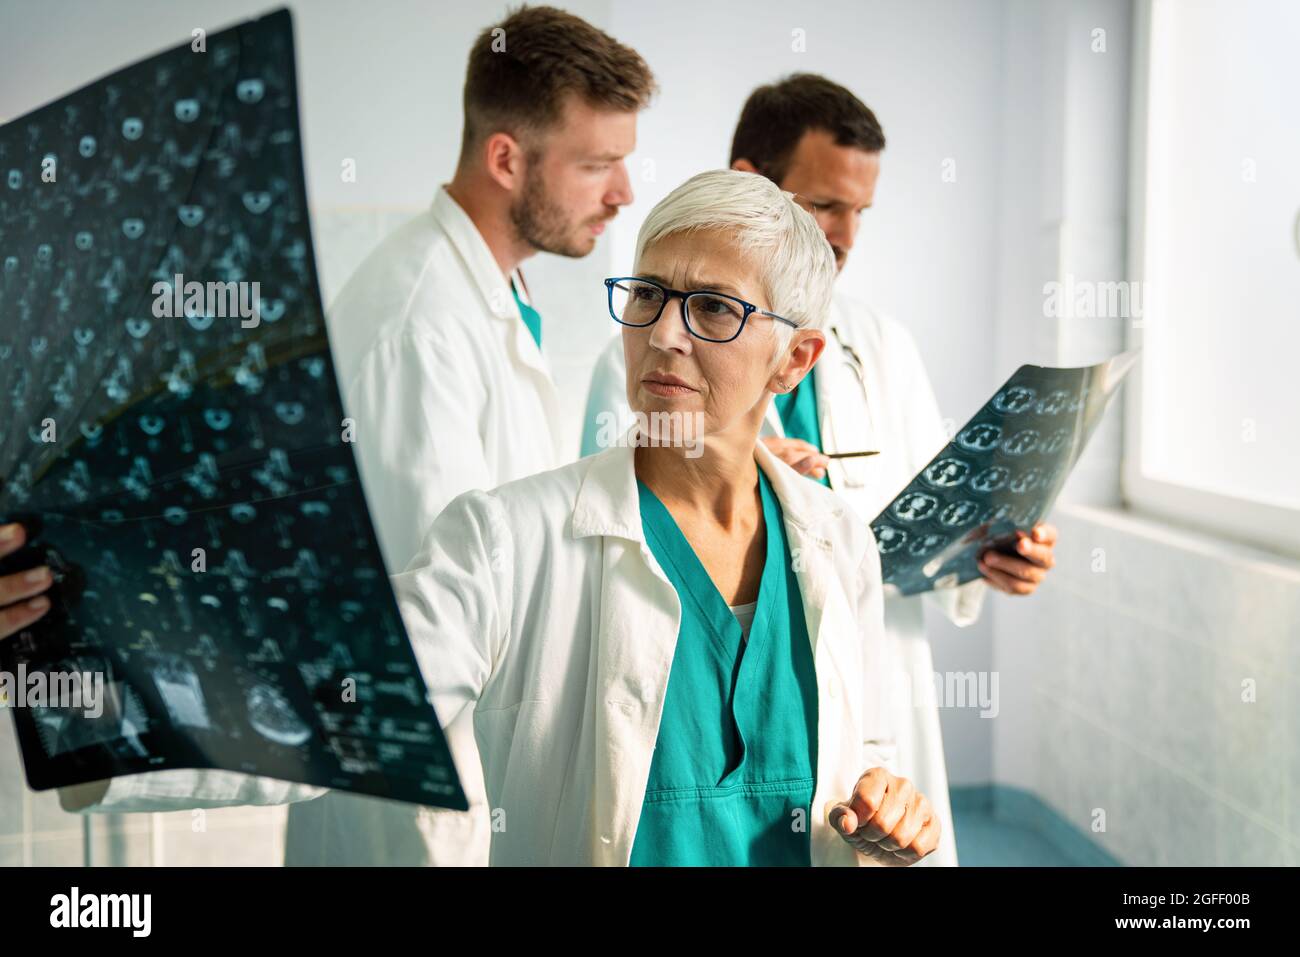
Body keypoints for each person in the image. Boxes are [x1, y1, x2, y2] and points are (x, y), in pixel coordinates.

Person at [38, 169, 940, 867]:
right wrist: (68, 678)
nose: (665, 333)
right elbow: (327, 698)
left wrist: (880, 800)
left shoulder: (835, 544)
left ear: (796, 359)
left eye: (712, 308)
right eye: (650, 296)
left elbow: (853, 749)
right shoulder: (514, 540)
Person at [580, 74, 1058, 866]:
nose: (844, 235)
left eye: (859, 211)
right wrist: (751, 473)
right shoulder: (645, 354)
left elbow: (929, 501)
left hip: (875, 671)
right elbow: (608, 524)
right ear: (751, 186)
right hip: (701, 700)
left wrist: (989, 549)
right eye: (823, 205)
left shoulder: (883, 342)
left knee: (878, 830)